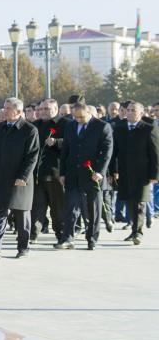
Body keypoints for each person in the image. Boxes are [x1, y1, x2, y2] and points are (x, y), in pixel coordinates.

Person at [0, 98, 39, 259]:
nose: (4, 111)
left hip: (20, 181)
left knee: (22, 215)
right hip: (0, 179)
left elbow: (32, 157)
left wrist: (23, 176)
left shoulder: (29, 130)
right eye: (4, 108)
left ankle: (23, 247)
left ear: (18, 112)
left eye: (8, 109)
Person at [56, 102, 113, 251]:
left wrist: (100, 172)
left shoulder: (102, 127)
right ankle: (67, 238)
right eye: (75, 117)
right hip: (73, 174)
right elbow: (65, 152)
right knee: (70, 207)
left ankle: (92, 238)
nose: (78, 120)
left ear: (89, 113)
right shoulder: (71, 126)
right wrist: (62, 173)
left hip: (93, 175)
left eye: (81, 117)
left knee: (93, 208)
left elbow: (107, 152)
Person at [111, 101, 159, 244]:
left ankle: (138, 232)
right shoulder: (119, 128)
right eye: (128, 110)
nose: (129, 113)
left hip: (142, 173)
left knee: (139, 202)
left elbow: (155, 153)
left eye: (133, 110)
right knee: (130, 201)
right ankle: (133, 230)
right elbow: (114, 152)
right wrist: (113, 171)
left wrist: (154, 175)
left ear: (141, 113)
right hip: (124, 173)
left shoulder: (149, 129)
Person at [31, 98, 65, 245]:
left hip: (56, 174)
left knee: (57, 208)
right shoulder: (34, 126)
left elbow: (72, 144)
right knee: (37, 206)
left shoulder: (65, 124)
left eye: (47, 109)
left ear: (55, 109)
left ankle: (61, 234)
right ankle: (33, 233)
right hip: (37, 174)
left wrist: (57, 142)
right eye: (42, 109)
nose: (43, 112)